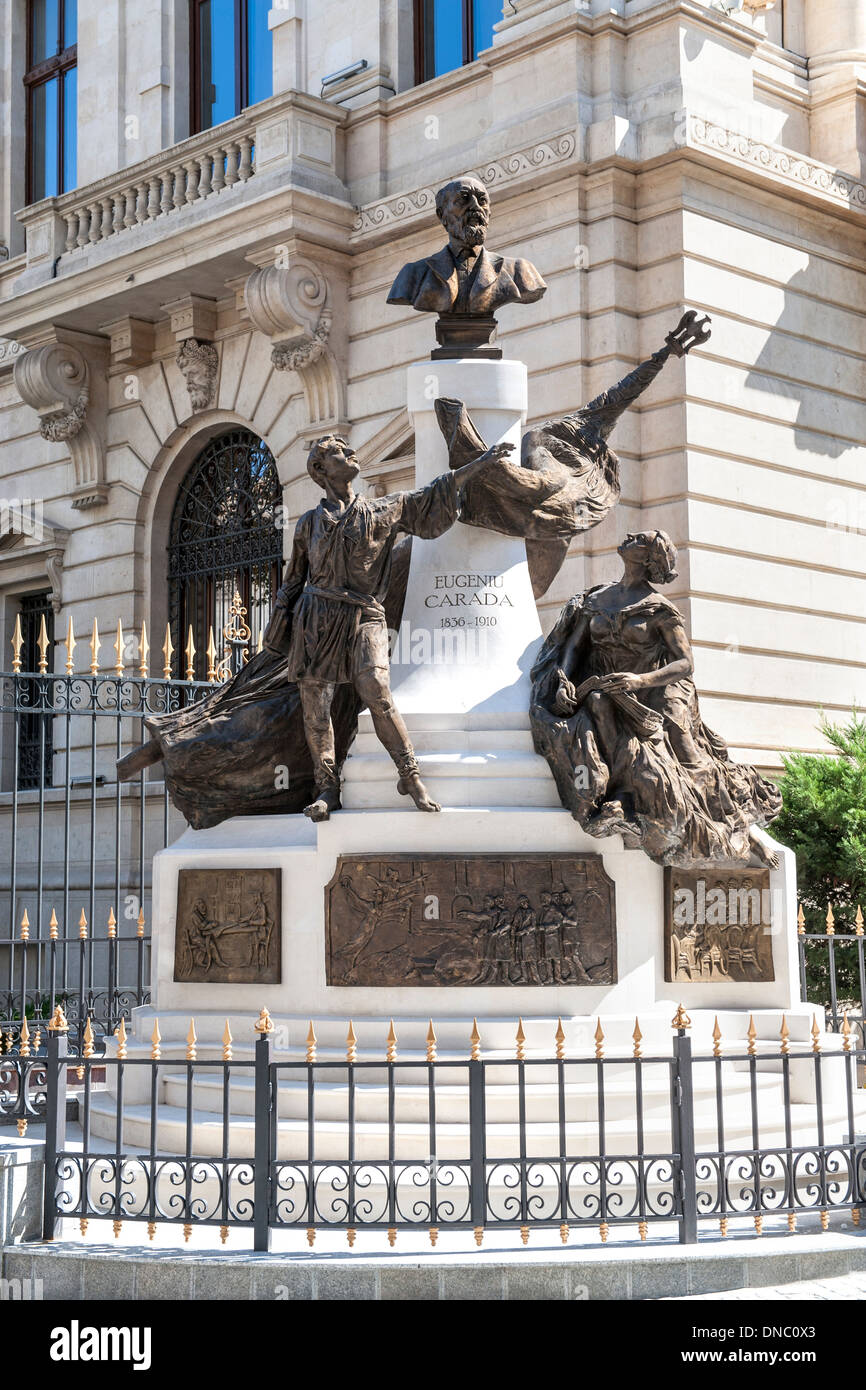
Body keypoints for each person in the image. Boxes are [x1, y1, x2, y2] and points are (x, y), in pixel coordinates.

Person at [261, 433, 512, 820]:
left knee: (376, 689)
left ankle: (409, 774)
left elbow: (432, 494)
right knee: (316, 710)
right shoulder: (308, 525)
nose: (350, 453)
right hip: (315, 618)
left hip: (364, 614)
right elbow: (294, 580)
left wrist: (481, 464)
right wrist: (276, 631)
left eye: (348, 448)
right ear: (320, 470)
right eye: (337, 452)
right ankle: (327, 787)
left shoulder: (383, 510)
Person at [530, 530, 782, 868]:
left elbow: (685, 663)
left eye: (642, 540)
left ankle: (741, 830)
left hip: (655, 688)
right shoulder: (598, 599)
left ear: (650, 559)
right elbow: (574, 647)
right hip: (606, 684)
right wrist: (562, 679)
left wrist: (641, 680)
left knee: (688, 756)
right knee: (599, 705)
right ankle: (621, 795)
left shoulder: (660, 609)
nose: (630, 536)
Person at [386, 176, 546, 318]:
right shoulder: (413, 275)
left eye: (482, 201)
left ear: (489, 213)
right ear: (442, 215)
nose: (476, 206)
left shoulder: (520, 271)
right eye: (463, 199)